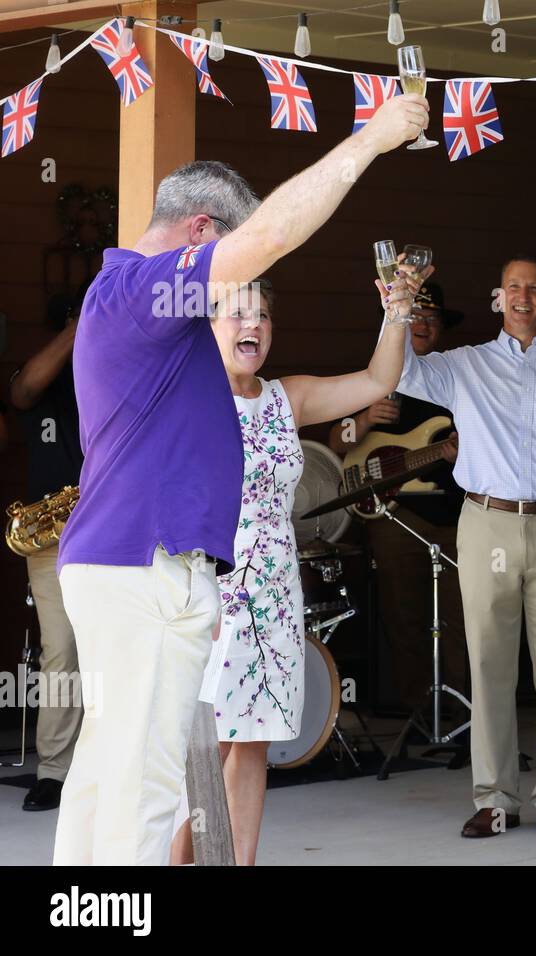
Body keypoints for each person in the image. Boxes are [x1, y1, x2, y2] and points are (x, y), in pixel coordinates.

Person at [51, 93, 429, 866]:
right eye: (231, 265)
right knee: (147, 787)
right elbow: (273, 235)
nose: (240, 297)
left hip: (145, 568)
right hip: (144, 566)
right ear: (200, 235)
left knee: (107, 776)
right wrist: (373, 139)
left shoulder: (145, 311)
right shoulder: (146, 290)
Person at [169, 273, 413, 865]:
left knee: (252, 745)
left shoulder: (287, 397)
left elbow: (379, 379)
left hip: (275, 595)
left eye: (263, 317)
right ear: (210, 327)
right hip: (211, 592)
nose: (252, 325)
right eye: (238, 314)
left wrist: (397, 310)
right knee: (212, 747)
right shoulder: (185, 398)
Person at [395, 254, 536, 840]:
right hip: (487, 523)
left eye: (535, 289)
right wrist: (398, 308)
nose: (522, 296)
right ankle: (494, 797)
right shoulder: (463, 366)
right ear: (499, 298)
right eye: (513, 287)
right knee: (489, 664)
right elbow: (400, 372)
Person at [328, 279, 467, 721]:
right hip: (395, 515)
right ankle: (418, 711)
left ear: (442, 327)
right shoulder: (377, 375)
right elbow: (336, 441)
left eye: (430, 318)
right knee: (403, 615)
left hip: (455, 513)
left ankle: (463, 710)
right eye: (415, 316)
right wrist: (364, 418)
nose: (422, 324)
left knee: (460, 619)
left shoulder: (460, 375)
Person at [8, 285, 89, 812]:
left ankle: (107, 760)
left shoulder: (115, 376)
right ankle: (55, 770)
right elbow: (22, 391)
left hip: (112, 530)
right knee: (60, 651)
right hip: (52, 536)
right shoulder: (42, 376)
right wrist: (81, 327)